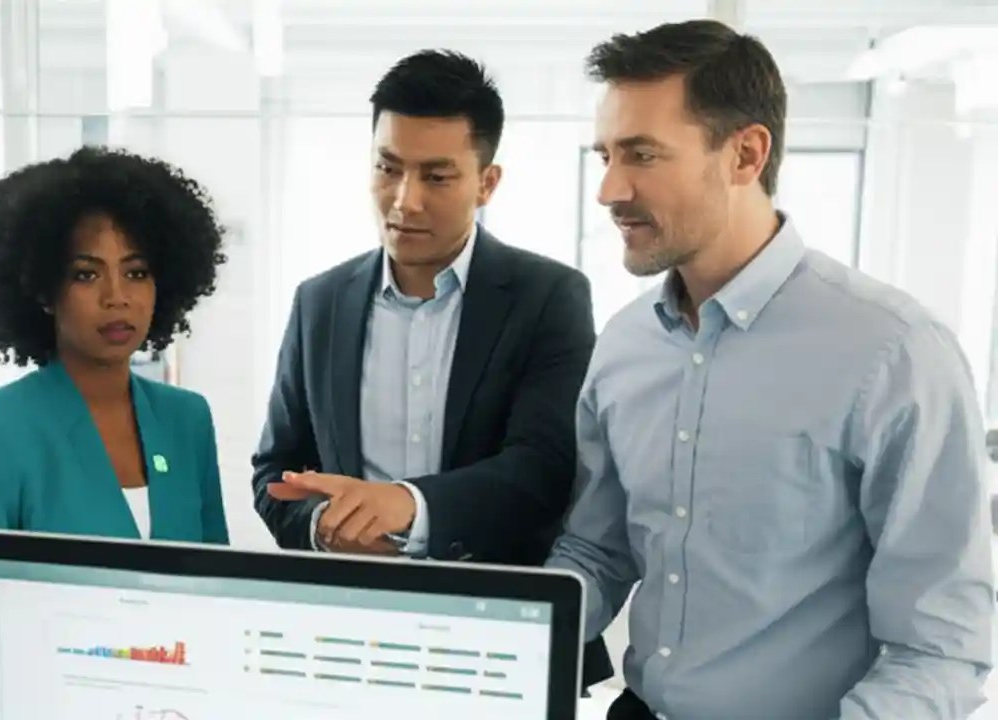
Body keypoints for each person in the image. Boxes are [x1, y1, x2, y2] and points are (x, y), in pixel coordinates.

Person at [546, 19, 994, 720]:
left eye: (641, 155)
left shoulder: (895, 352)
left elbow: (942, 647)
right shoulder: (625, 345)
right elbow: (599, 553)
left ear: (746, 154)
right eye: (605, 153)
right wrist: (485, 642)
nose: (608, 188)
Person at [251, 49, 612, 687]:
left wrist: (409, 508)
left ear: (487, 182)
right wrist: (328, 529)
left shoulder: (548, 296)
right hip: (348, 638)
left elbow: (546, 467)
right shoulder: (320, 302)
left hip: (500, 640)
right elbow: (274, 473)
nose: (404, 199)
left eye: (437, 177)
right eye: (387, 168)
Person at [0, 146, 229, 545]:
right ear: (42, 290)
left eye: (136, 272)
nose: (117, 297)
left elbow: (215, 583)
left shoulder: (187, 418)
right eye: (86, 275)